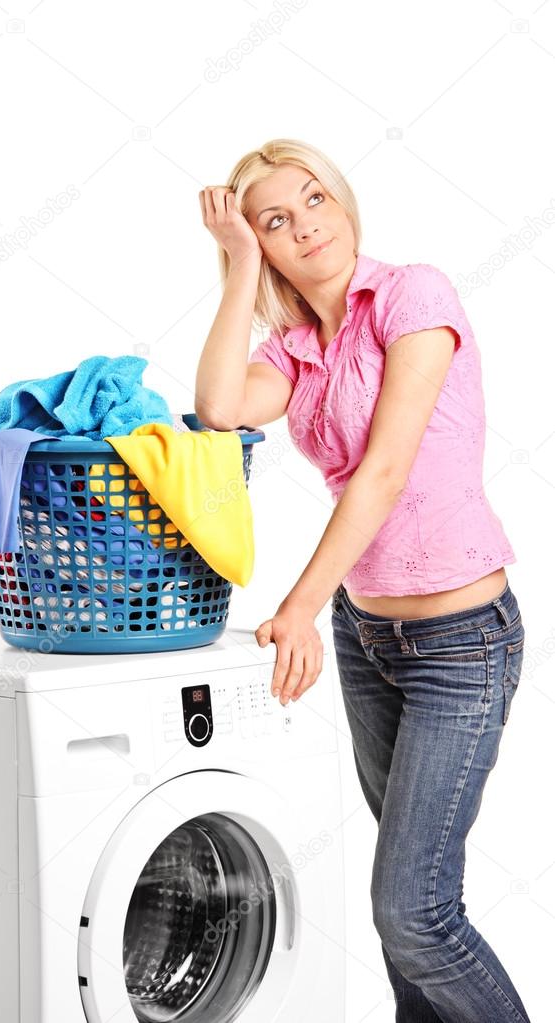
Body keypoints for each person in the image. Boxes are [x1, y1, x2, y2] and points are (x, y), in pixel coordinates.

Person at [195, 138, 531, 1023]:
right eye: (276, 221)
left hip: (462, 641)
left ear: (342, 200)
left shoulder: (414, 294)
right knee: (407, 910)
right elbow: (220, 408)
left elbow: (384, 471)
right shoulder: (296, 349)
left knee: (414, 914)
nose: (307, 225)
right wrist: (237, 267)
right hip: (367, 635)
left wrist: (299, 605)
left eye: (315, 199)